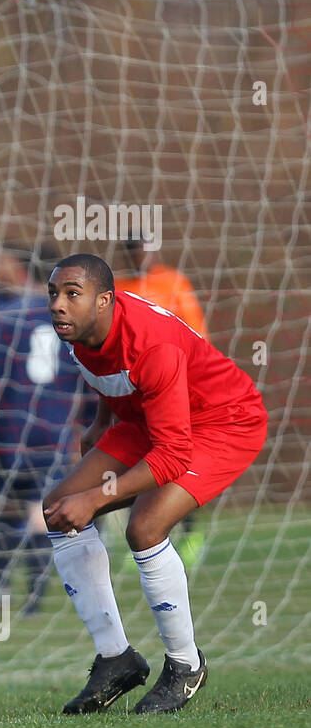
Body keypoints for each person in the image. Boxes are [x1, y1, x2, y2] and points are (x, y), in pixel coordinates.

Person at [44, 253, 266, 714]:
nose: (59, 305)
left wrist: (96, 497)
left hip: (223, 421)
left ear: (105, 300)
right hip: (149, 416)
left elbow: (170, 454)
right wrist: (101, 423)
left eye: (72, 294)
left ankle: (186, 665)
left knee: (144, 527)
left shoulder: (152, 346)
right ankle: (116, 659)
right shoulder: (79, 330)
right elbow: (105, 372)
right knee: (58, 506)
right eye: (54, 294)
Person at [0, 242, 90, 615]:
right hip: (56, 429)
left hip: (11, 430)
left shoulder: (0, 314)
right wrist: (88, 423)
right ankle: (35, 597)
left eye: (1, 262)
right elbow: (82, 372)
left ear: (18, 268)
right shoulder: (62, 313)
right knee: (40, 512)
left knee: (7, 511)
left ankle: (1, 591)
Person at [115, 238, 209, 567]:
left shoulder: (173, 282)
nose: (142, 256)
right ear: (126, 254)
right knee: (137, 461)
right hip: (133, 389)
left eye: (146, 249)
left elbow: (197, 334)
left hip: (175, 386)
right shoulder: (119, 288)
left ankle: (190, 535)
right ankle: (141, 537)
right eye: (135, 251)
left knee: (180, 458)